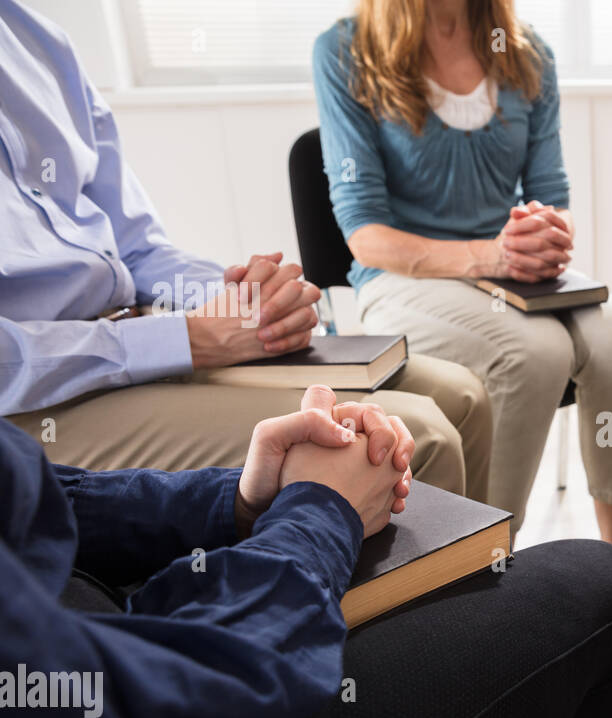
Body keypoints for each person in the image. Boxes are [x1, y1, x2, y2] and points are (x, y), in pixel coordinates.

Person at [0, 383, 612, 718]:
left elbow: (37, 500)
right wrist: (320, 512)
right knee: (597, 581)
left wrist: (237, 502)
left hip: (113, 639)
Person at [0, 0, 491, 502]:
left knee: (461, 396)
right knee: (415, 434)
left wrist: (247, 299)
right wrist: (182, 340)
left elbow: (136, 248)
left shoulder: (38, 42)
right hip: (35, 401)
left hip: (136, 329)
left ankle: (492, 571)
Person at [313, 0, 612, 657]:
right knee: (533, 353)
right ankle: (485, 572)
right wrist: (488, 256)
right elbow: (364, 234)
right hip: (405, 279)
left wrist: (546, 235)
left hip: (510, 273)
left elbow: (551, 192)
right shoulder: (345, 51)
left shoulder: (526, 53)